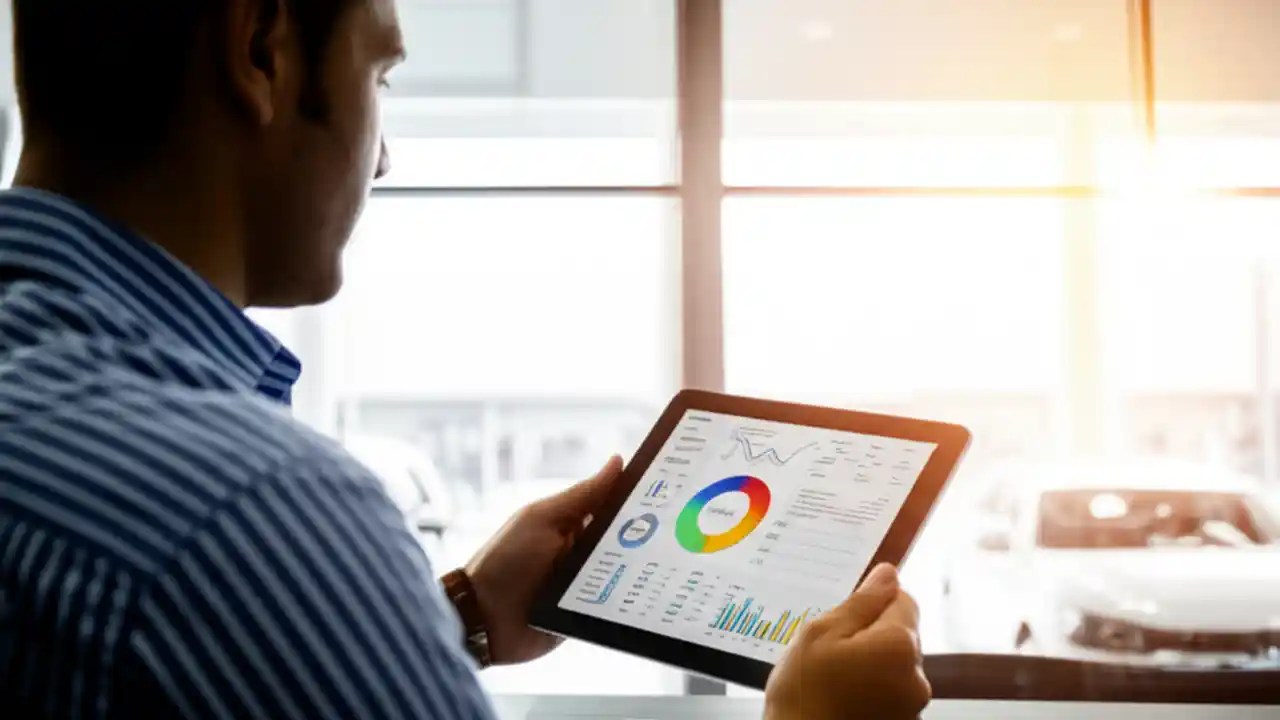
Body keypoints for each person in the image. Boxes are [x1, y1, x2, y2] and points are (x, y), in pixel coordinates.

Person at [0, 1, 931, 718]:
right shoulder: (246, 505)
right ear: (261, 50)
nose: (383, 158)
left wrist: (458, 616)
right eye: (380, 74)